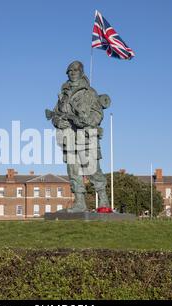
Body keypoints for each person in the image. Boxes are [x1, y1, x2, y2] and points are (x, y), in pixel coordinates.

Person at [50, 61, 110, 212]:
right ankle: (79, 203)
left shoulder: (89, 92)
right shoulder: (63, 94)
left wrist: (86, 122)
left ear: (81, 72)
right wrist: (58, 121)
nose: (72, 73)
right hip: (68, 137)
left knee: (92, 169)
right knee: (73, 170)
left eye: (75, 70)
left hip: (86, 136)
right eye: (69, 71)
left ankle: (103, 201)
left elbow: (98, 113)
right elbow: (55, 113)